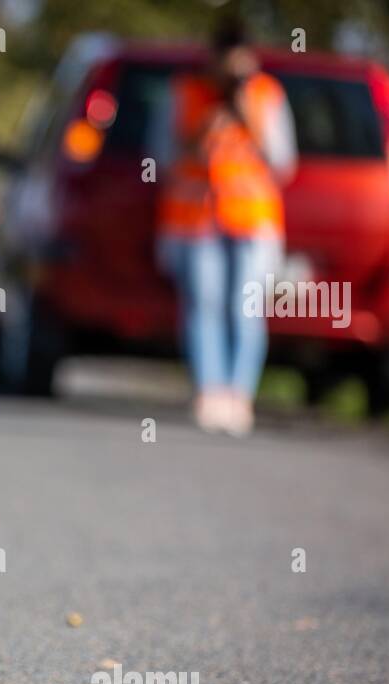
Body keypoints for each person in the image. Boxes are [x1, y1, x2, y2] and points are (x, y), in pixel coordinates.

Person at [156, 16, 296, 436]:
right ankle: (210, 392)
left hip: (251, 221)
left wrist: (244, 118)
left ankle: (239, 396)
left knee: (245, 307)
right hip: (197, 219)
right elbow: (161, 158)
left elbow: (283, 163)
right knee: (204, 305)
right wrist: (203, 129)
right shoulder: (185, 94)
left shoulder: (265, 96)